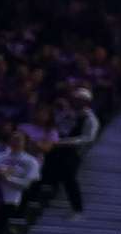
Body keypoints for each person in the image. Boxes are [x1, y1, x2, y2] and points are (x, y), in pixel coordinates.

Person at [42, 87, 99, 217]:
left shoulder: (90, 119)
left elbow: (87, 138)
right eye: (75, 99)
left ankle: (77, 208)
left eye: (79, 100)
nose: (76, 102)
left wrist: (65, 142)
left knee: (70, 178)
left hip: (73, 151)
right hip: (57, 148)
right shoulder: (68, 113)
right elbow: (58, 125)